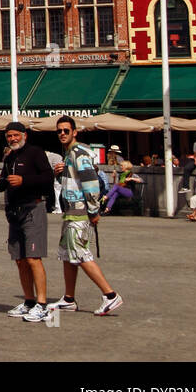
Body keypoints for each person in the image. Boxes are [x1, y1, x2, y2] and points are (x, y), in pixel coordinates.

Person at [49, 116, 124, 316]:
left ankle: (110, 295)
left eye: (66, 130)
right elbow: (74, 179)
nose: (62, 134)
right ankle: (69, 298)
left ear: (75, 132)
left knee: (81, 254)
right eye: (59, 131)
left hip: (80, 212)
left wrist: (93, 210)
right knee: (67, 254)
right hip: (71, 211)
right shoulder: (70, 154)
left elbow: (91, 183)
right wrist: (60, 173)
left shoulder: (78, 153)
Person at [0, 121, 54, 323]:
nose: (12, 139)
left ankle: (42, 305)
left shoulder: (35, 152)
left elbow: (48, 178)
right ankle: (28, 301)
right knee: (19, 259)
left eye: (15, 135)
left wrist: (24, 181)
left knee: (33, 258)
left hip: (33, 209)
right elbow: (4, 184)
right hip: (14, 213)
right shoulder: (9, 157)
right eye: (9, 136)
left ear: (24, 135)